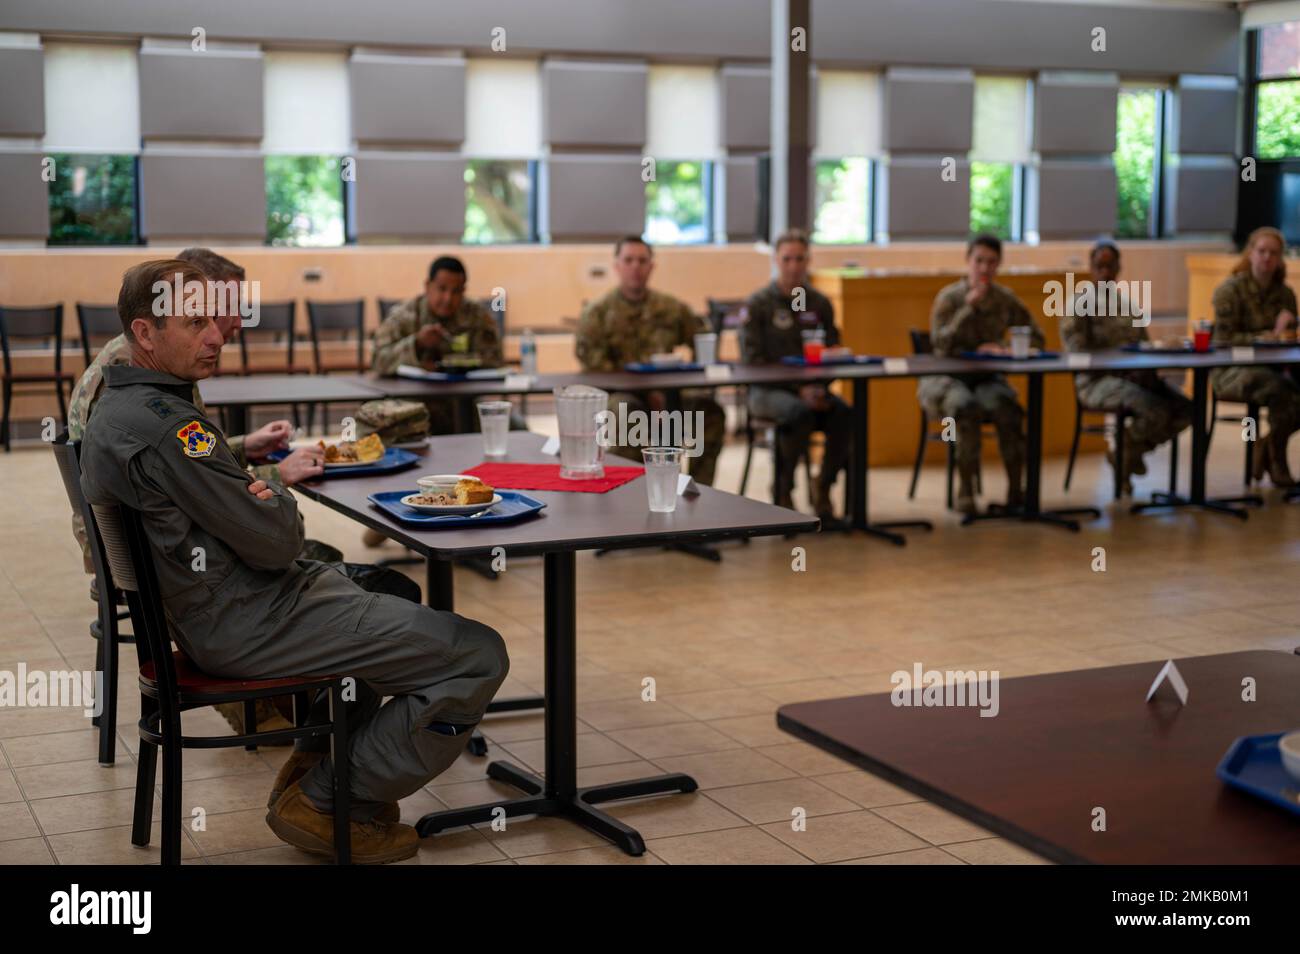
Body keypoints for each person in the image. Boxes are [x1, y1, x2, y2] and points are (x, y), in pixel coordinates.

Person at [79, 259, 509, 863]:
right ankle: (328, 799)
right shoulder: (167, 429)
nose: (216, 336)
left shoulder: (131, 408)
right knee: (476, 654)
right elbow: (278, 542)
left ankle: (327, 780)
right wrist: (275, 495)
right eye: (194, 322)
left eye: (215, 320)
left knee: (390, 594)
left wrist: (255, 498)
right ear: (145, 334)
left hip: (238, 606)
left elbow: (248, 524)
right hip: (251, 616)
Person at [67, 248, 334, 737]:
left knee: (297, 561)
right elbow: (179, 483)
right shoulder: (139, 379)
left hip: (154, 540)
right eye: (217, 310)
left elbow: (186, 469)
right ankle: (293, 716)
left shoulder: (146, 360)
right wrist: (274, 484)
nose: (232, 324)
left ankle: (293, 706)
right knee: (312, 562)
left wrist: (244, 448)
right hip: (146, 560)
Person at [575, 236, 725, 485]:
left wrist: (681, 385)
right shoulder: (598, 313)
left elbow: (703, 343)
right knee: (627, 414)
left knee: (710, 412)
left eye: (642, 260)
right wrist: (646, 393)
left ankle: (698, 491)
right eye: (629, 260)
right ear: (617, 266)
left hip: (669, 395)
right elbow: (594, 369)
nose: (636, 266)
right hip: (621, 397)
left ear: (651, 266)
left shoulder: (671, 308)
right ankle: (627, 493)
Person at [918, 233, 1043, 515]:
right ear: (968, 262)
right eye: (979, 261)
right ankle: (965, 488)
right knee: (964, 408)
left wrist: (1007, 347)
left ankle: (1016, 490)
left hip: (987, 377)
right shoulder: (950, 298)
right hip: (945, 378)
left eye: (992, 262)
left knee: (1007, 407)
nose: (985, 268)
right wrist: (968, 307)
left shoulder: (1004, 299)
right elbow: (940, 344)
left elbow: (1036, 335)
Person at [1058, 240, 1192, 495]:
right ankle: (1127, 455)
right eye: (1099, 267)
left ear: (1119, 268)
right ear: (1091, 268)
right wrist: (1122, 370)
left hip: (1135, 379)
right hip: (1096, 382)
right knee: (1155, 409)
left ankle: (1125, 452)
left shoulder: (1128, 305)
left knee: (1187, 410)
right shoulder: (1078, 304)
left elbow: (1144, 347)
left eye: (1110, 267)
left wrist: (1148, 372)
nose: (1105, 273)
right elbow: (1077, 354)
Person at [739, 229, 852, 518]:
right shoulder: (759, 304)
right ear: (776, 260)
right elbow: (753, 361)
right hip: (766, 391)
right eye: (787, 258)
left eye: (800, 259)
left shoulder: (819, 303)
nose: (793, 265)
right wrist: (798, 390)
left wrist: (820, 386)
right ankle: (782, 490)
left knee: (845, 413)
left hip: (813, 390)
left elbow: (832, 353)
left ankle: (823, 485)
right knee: (797, 412)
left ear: (808, 261)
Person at [1211, 226, 1300, 486]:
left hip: (1274, 367)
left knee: (1288, 390)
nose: (1267, 258)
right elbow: (1223, 339)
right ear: (1250, 253)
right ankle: (1278, 462)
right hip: (1232, 369)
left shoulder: (1284, 294)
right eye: (1261, 251)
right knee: (1283, 393)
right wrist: (1267, 336)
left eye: (1274, 253)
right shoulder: (1230, 290)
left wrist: (1290, 329)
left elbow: (1288, 339)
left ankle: (1266, 445)